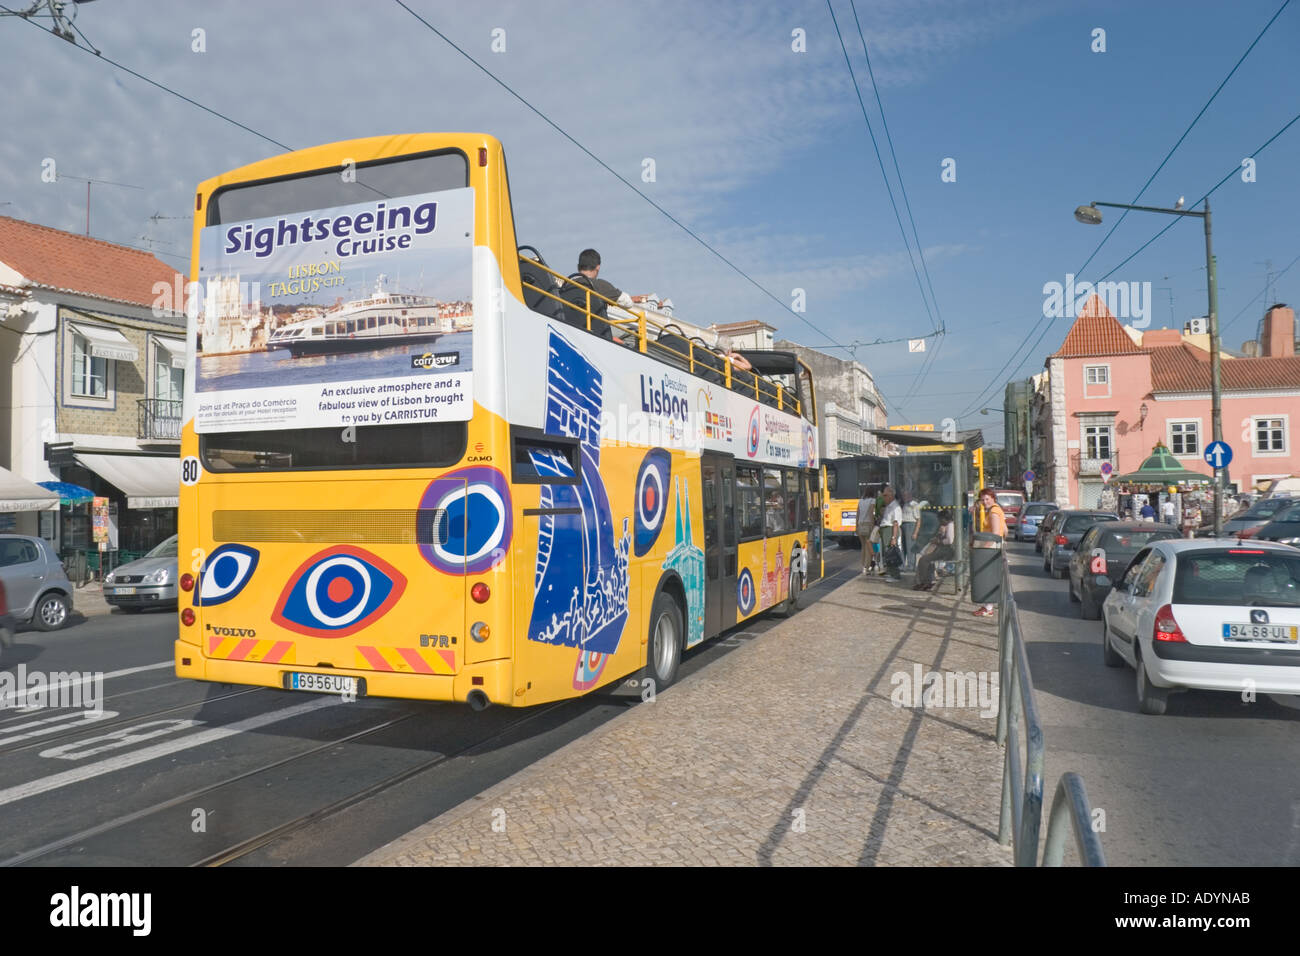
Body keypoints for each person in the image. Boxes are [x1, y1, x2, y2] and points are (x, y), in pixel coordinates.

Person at [558, 248, 634, 340]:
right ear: (598, 267)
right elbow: (628, 303)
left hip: (568, 331)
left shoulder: (566, 286)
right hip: (598, 335)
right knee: (632, 334)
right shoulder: (601, 286)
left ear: (578, 267)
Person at [971, 487, 1007, 616]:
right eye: (982, 500)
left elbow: (996, 533)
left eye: (987, 499)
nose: (985, 502)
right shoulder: (997, 510)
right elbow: (1005, 530)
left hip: (991, 548)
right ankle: (988, 607)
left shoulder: (993, 512)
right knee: (991, 576)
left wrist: (985, 547)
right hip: (996, 546)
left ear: (993, 498)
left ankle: (988, 608)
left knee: (987, 577)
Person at [913, 511, 956, 590]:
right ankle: (929, 580)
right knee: (927, 557)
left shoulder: (950, 525)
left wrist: (938, 541)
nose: (939, 521)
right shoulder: (946, 525)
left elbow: (950, 541)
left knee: (924, 560)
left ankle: (924, 582)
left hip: (947, 551)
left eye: (940, 519)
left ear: (944, 519)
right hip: (944, 549)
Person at [879, 485, 903, 580]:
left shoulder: (895, 507)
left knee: (892, 553)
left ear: (891, 495)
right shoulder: (889, 506)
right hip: (886, 530)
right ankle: (891, 572)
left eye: (885, 495)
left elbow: (895, 523)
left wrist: (893, 537)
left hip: (890, 530)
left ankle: (895, 575)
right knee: (887, 553)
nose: (883, 497)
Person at [856, 484, 877, 574]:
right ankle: (866, 567)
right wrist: (872, 526)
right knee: (868, 547)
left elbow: (857, 514)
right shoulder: (872, 500)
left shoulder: (860, 501)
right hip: (868, 524)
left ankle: (863, 565)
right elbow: (871, 513)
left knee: (863, 547)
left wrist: (856, 526)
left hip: (860, 525)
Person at [900, 490, 921, 571]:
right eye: (903, 496)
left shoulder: (914, 505)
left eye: (905, 496)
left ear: (910, 495)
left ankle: (911, 565)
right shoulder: (905, 504)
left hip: (911, 525)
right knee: (903, 546)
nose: (904, 497)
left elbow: (918, 519)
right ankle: (902, 565)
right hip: (903, 524)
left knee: (910, 546)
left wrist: (915, 532)